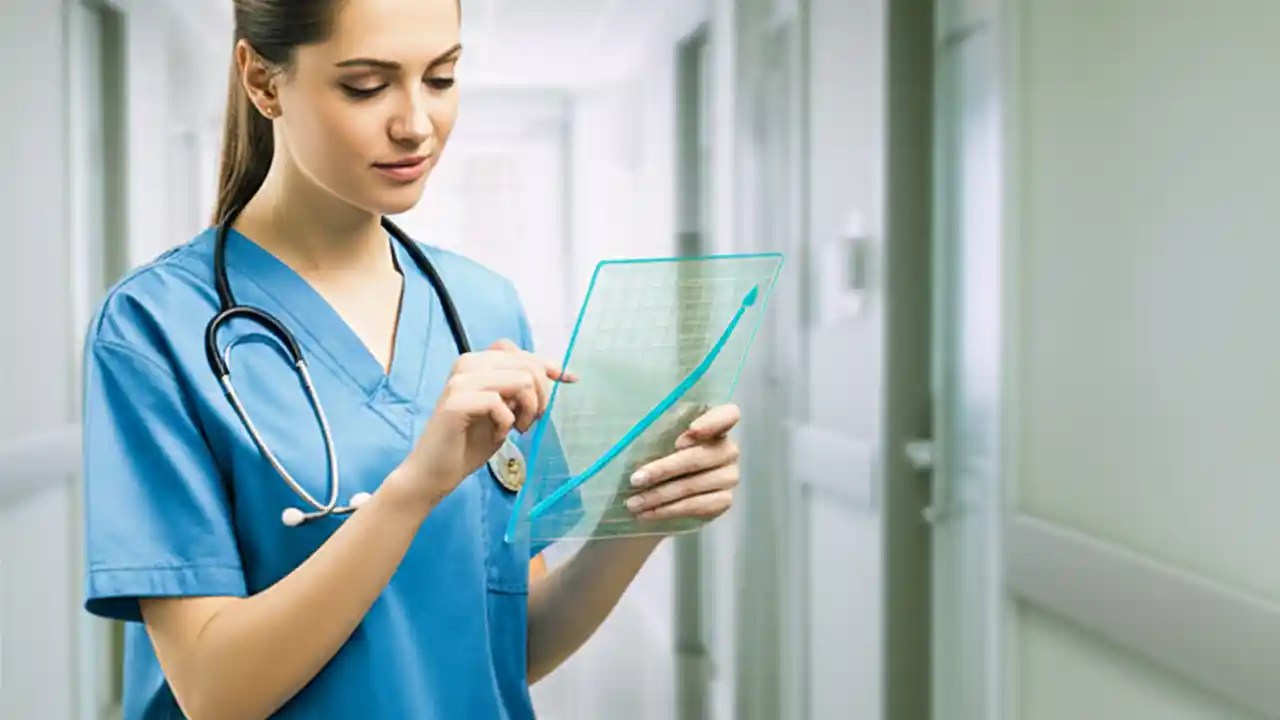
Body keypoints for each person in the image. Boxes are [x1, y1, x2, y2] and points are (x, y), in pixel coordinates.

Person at [81, 1, 744, 718]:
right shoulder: (156, 328)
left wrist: (637, 520)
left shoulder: (483, 309)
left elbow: (509, 646)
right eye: (366, 86)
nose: (416, 124)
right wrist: (413, 489)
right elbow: (215, 692)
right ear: (263, 81)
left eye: (442, 77)